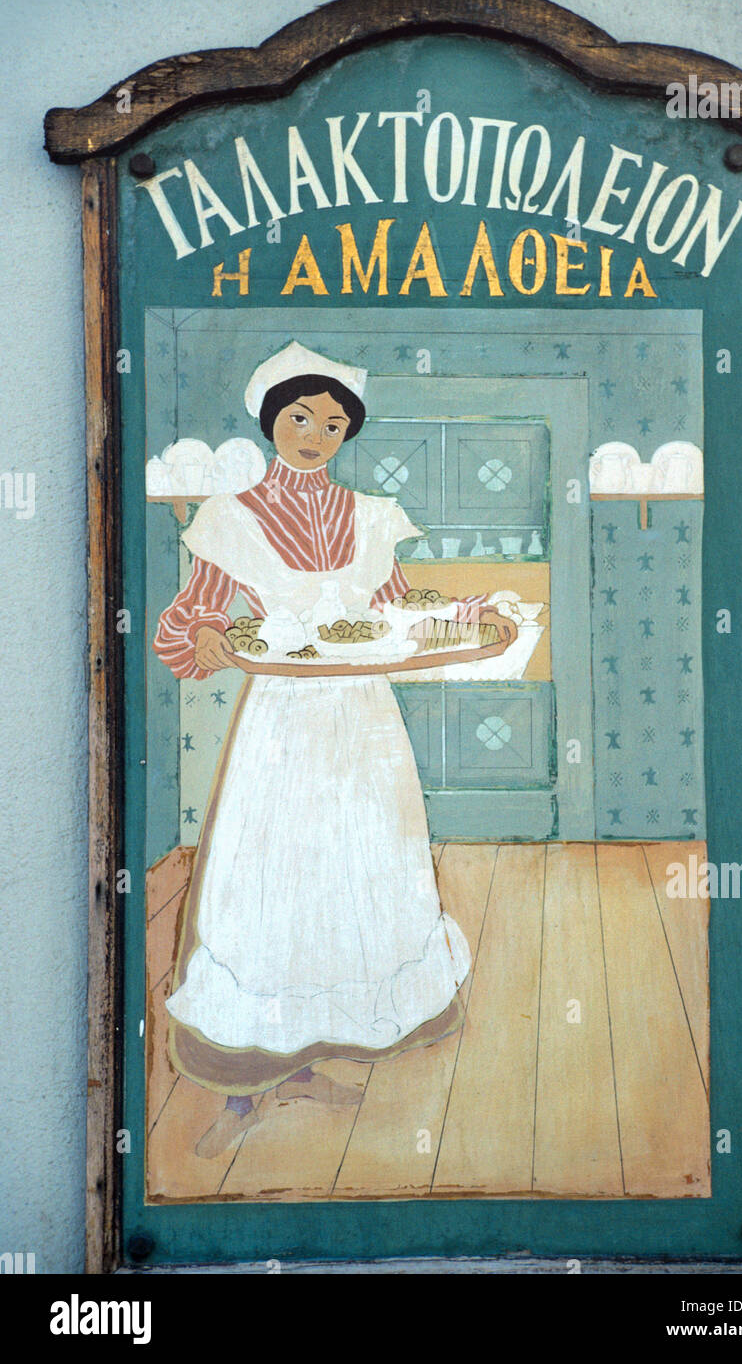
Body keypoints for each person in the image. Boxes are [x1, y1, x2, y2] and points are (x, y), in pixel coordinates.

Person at [153, 341, 514, 1158]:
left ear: (347, 432)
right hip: (281, 724)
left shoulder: (368, 518)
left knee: (361, 875)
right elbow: (193, 615)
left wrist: (474, 619)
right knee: (273, 885)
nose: (315, 433)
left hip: (362, 722)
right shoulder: (231, 518)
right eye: (300, 417)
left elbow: (399, 608)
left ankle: (312, 1062)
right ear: (271, 420)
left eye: (333, 421)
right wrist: (207, 638)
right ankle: (248, 1085)